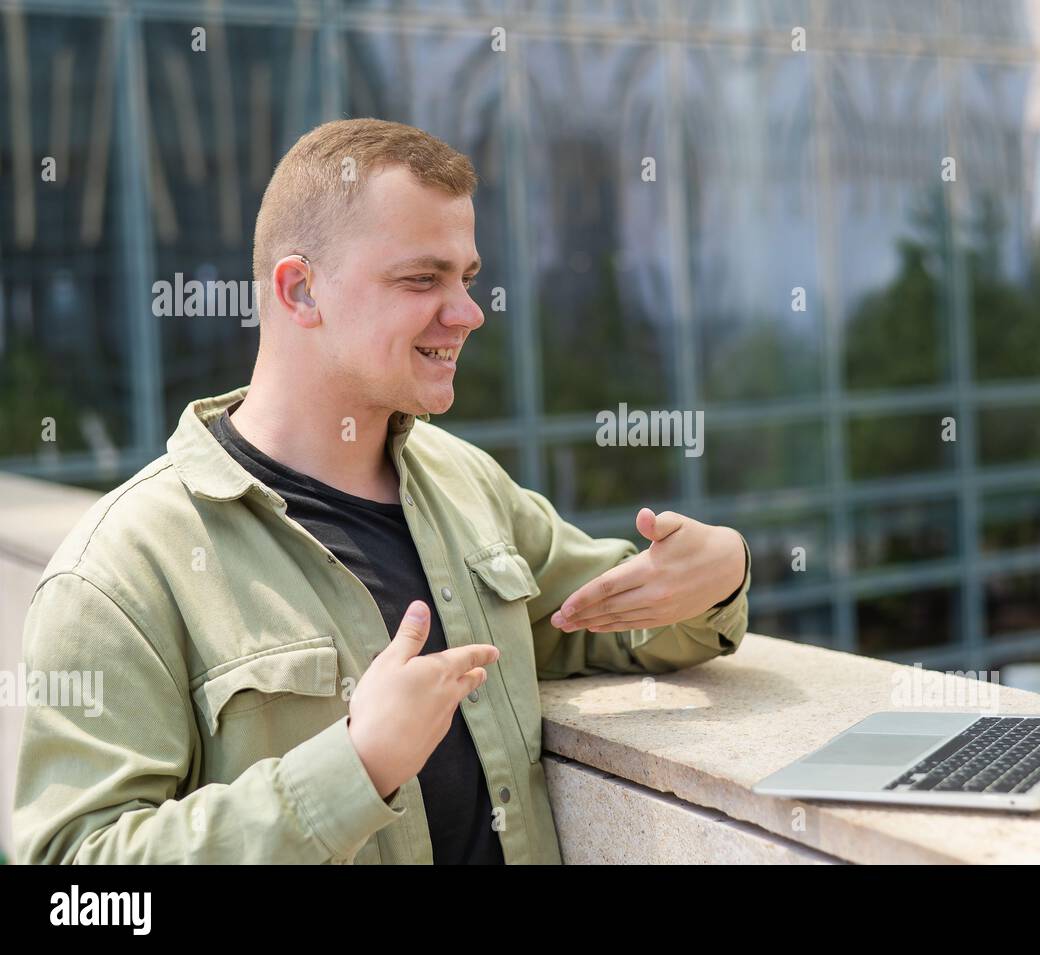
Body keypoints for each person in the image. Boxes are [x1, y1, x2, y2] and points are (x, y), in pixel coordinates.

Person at [12, 118, 751, 864]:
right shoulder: (121, 572)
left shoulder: (466, 484)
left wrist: (720, 575)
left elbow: (620, 621)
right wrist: (353, 768)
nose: (467, 311)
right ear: (300, 290)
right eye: (421, 279)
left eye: (467, 276)